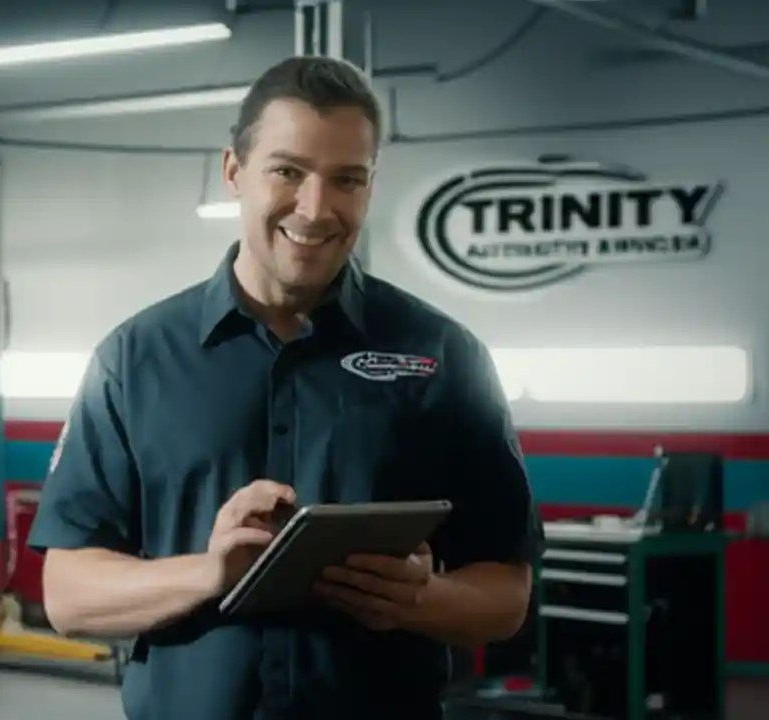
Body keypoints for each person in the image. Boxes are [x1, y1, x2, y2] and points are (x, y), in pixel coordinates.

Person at [27, 55, 541, 719]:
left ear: (371, 186)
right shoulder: (134, 360)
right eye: (288, 171)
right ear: (234, 172)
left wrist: (419, 599)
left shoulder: (444, 357)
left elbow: (507, 594)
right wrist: (212, 573)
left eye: (346, 180)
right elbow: (68, 595)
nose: (315, 208)